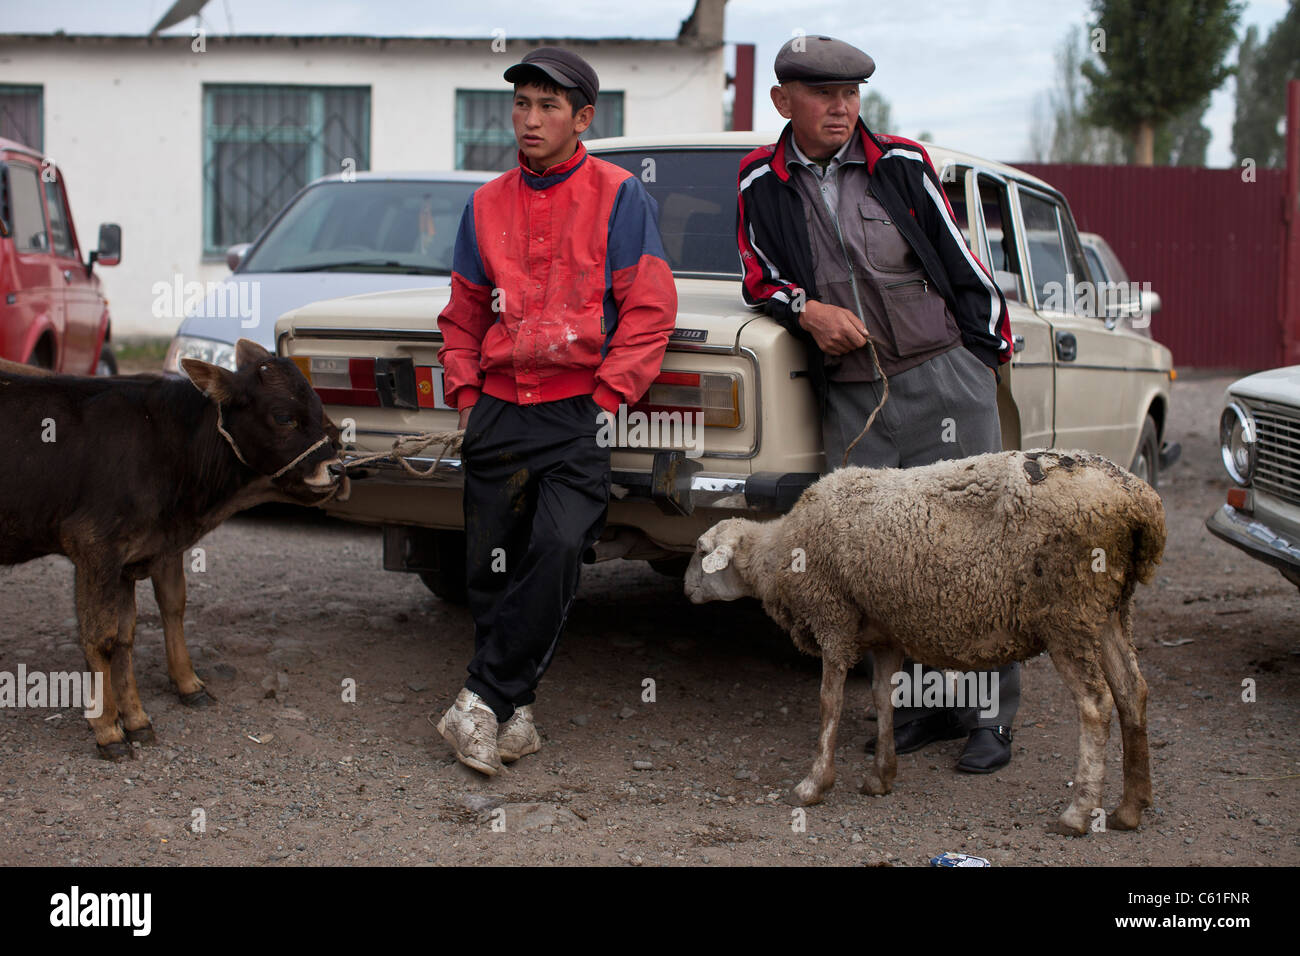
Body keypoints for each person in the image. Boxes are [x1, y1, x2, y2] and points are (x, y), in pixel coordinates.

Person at [736, 35, 1019, 773]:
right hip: (856, 397)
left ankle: (989, 717)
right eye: (823, 93)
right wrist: (808, 311)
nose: (841, 106)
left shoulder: (900, 163)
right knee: (882, 564)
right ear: (782, 101)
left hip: (943, 378)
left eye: (852, 93)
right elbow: (759, 278)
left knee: (972, 553)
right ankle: (923, 709)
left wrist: (981, 359)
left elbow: (960, 257)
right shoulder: (758, 182)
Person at [435, 47, 677, 776]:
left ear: (583, 118)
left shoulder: (620, 195)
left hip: (578, 412)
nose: (530, 120)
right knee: (490, 568)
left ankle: (478, 701)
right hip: (500, 411)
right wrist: (468, 393)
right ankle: (516, 712)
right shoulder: (485, 203)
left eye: (548, 106)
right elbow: (463, 312)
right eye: (521, 105)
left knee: (561, 548)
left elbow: (650, 308)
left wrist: (608, 395)